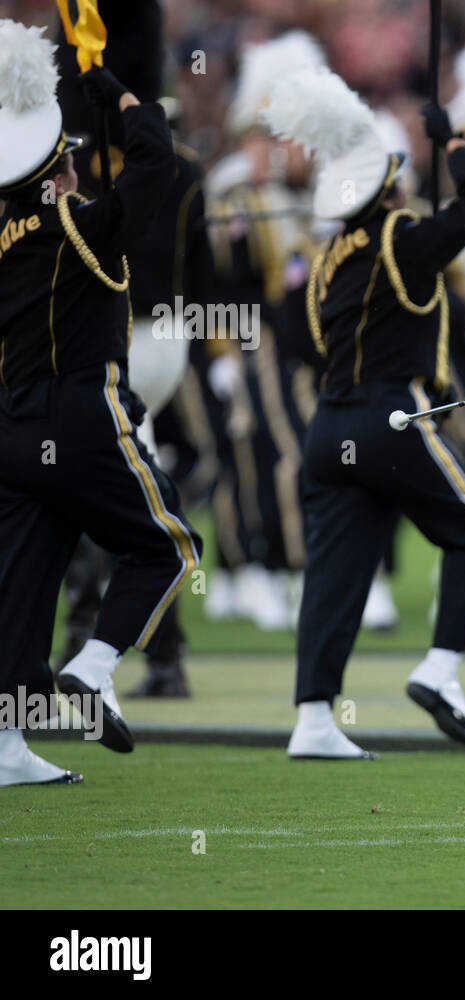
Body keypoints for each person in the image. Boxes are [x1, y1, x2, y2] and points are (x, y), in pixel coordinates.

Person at [260, 66, 465, 758]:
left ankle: (312, 720)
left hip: (328, 427)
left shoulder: (326, 258)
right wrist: (454, 143)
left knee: (334, 577)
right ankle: (442, 668)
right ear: (391, 183)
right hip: (392, 416)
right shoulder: (403, 236)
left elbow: (304, 346)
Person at [0, 21, 202, 784]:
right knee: (171, 544)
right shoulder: (80, 227)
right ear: (57, 172)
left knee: (21, 592)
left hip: (13, 429)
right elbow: (158, 165)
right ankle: (92, 666)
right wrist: (120, 93)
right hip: (81, 415)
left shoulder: (8, 242)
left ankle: (6, 747)